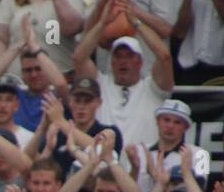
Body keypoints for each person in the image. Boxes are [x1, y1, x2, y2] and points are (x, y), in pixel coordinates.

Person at [72, 16, 173, 149]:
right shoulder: (99, 85)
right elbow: (79, 58)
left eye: (129, 56)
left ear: (140, 62)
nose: (123, 61)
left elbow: (164, 56)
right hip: (104, 165)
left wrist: (136, 22)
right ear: (111, 62)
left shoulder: (153, 88)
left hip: (144, 166)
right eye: (118, 56)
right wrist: (103, 22)